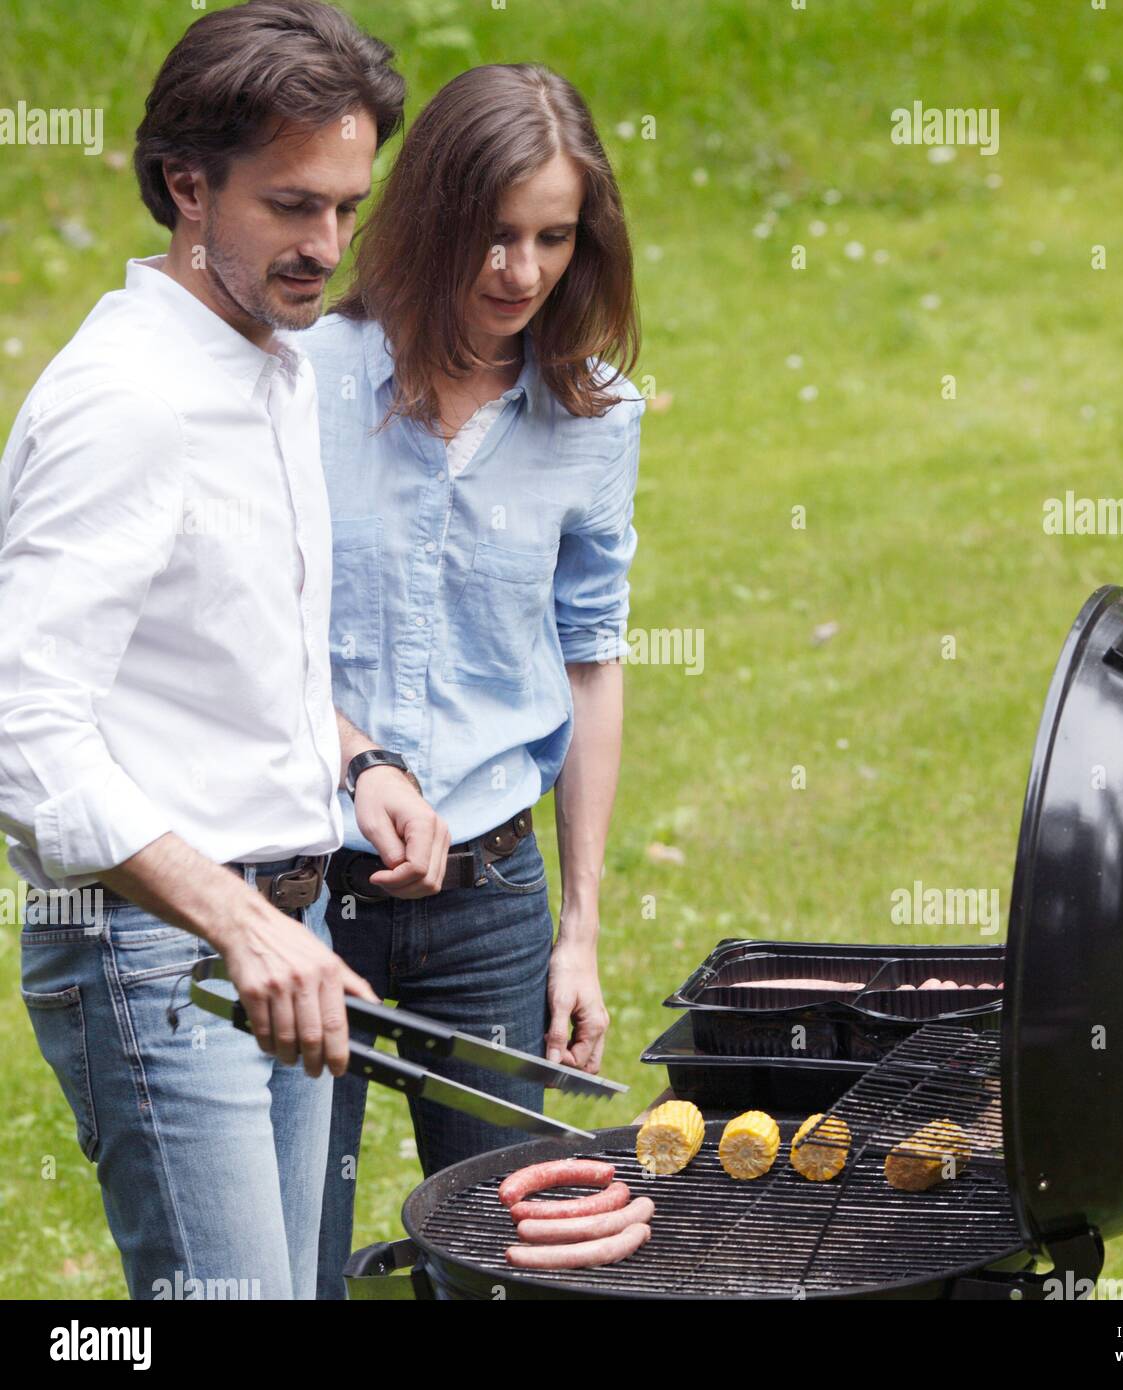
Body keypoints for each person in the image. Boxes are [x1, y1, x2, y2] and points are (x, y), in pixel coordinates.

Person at [0, 0, 450, 1299]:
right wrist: (242, 921)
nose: (328, 247)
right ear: (186, 185)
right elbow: (26, 734)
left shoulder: (277, 356)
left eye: (349, 207)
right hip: (154, 952)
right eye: (293, 206)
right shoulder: (126, 404)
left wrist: (356, 757)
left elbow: (226, 652)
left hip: (280, 930)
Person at [296, 62, 645, 1298]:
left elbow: (591, 662)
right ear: (431, 213)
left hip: (490, 894)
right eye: (494, 233)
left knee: (512, 1262)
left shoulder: (594, 419)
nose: (521, 270)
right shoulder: (307, 375)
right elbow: (249, 630)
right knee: (292, 1264)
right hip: (297, 891)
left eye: (554, 237)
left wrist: (581, 930)